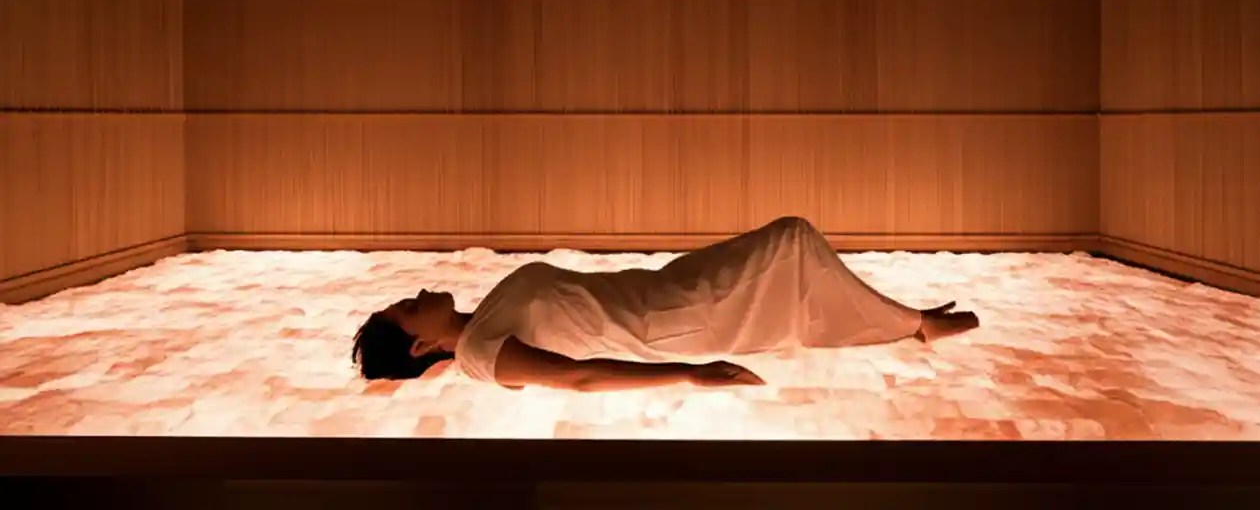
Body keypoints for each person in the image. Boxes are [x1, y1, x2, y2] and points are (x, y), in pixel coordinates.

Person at [351, 216, 979, 391]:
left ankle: (906, 322)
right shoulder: (483, 355)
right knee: (792, 242)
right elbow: (580, 378)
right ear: (422, 344)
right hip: (670, 325)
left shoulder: (483, 316)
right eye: (410, 307)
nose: (420, 294)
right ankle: (915, 324)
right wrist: (689, 373)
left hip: (665, 290)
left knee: (792, 254)